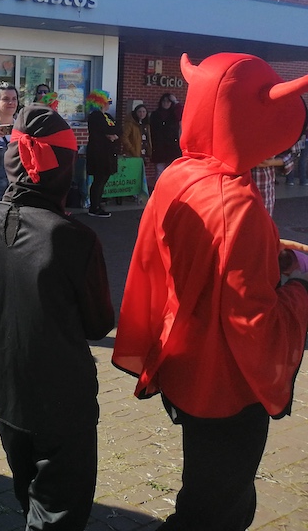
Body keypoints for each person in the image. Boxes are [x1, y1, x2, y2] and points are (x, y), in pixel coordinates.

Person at [113, 53, 308, 531]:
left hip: (182, 359)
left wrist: (270, 252)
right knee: (219, 508)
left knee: (204, 488)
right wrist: (301, 290)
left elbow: (204, 253)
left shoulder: (180, 174)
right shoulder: (236, 201)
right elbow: (253, 321)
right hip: (224, 383)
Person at [0, 105, 115, 530]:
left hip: (1, 389)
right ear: (64, 169)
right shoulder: (74, 238)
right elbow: (98, 325)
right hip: (62, 398)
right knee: (60, 509)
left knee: (27, 490)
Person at [85, 89, 121, 218]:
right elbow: (105, 129)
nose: (109, 103)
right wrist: (109, 133)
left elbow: (118, 128)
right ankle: (94, 207)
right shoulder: (95, 116)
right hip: (98, 153)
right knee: (99, 179)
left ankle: (98, 204)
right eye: (107, 101)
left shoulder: (108, 116)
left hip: (108, 152)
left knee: (103, 178)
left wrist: (113, 135)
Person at [149, 91, 182, 182]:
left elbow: (181, 114)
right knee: (159, 171)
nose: (166, 103)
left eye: (168, 102)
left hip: (172, 147)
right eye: (164, 101)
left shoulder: (174, 114)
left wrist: (175, 101)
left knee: (171, 171)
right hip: (158, 146)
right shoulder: (155, 114)